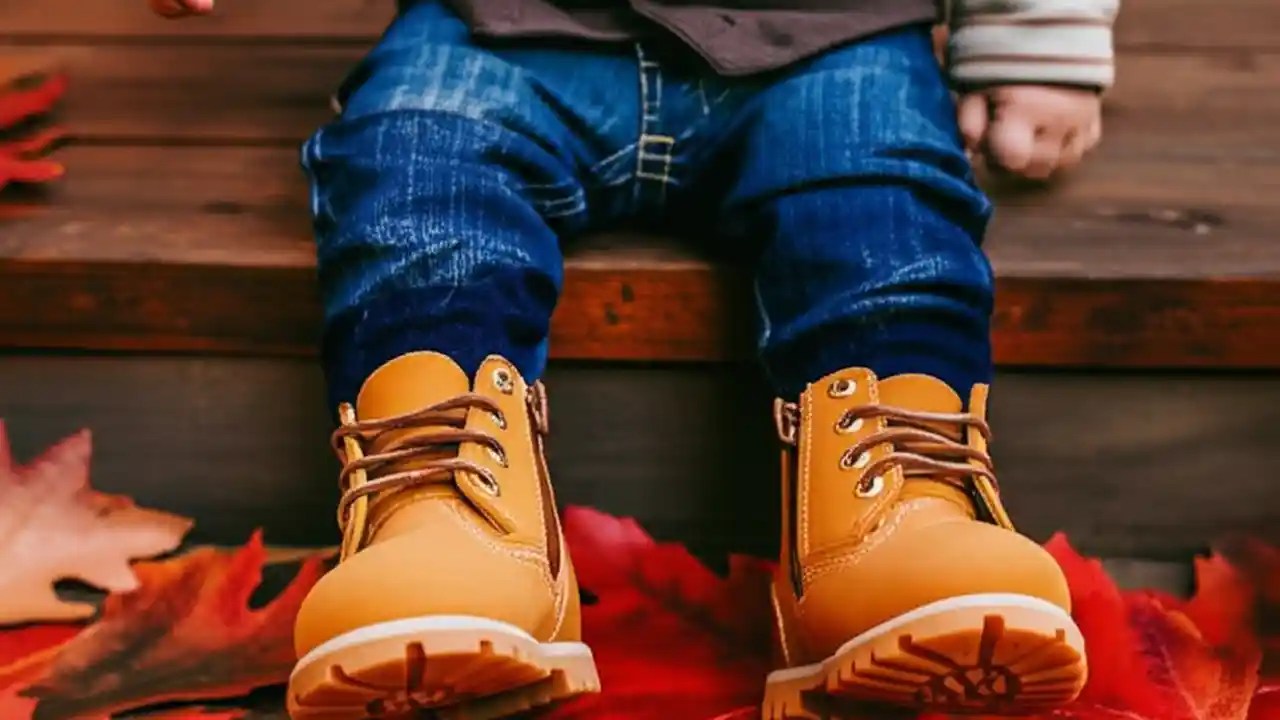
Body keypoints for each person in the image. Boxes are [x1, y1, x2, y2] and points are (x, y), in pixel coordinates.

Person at [155, 0, 1118, 717]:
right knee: (417, 179)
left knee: (885, 217)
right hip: (501, 27)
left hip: (833, 34)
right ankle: (446, 519)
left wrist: (1038, 37)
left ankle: (900, 517)